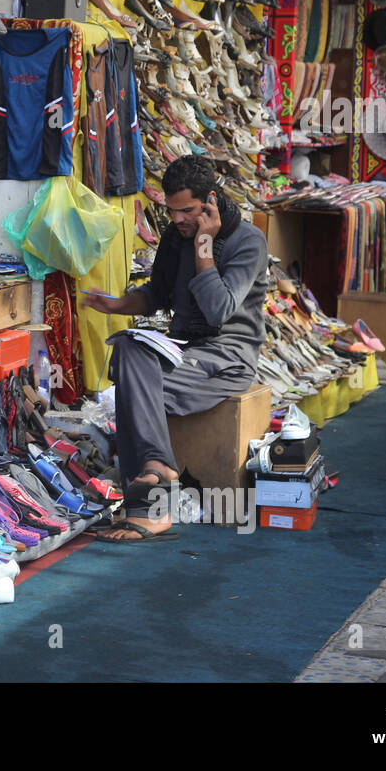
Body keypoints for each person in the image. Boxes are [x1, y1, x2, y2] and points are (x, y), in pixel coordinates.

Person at [83, 155, 268, 542]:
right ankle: (157, 469)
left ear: (211, 201)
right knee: (128, 347)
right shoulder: (174, 236)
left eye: (187, 211)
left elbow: (218, 310)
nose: (179, 219)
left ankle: (150, 507)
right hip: (183, 350)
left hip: (226, 358)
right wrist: (116, 305)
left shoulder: (248, 241)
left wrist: (204, 246)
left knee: (135, 387)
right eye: (172, 211)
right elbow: (157, 295)